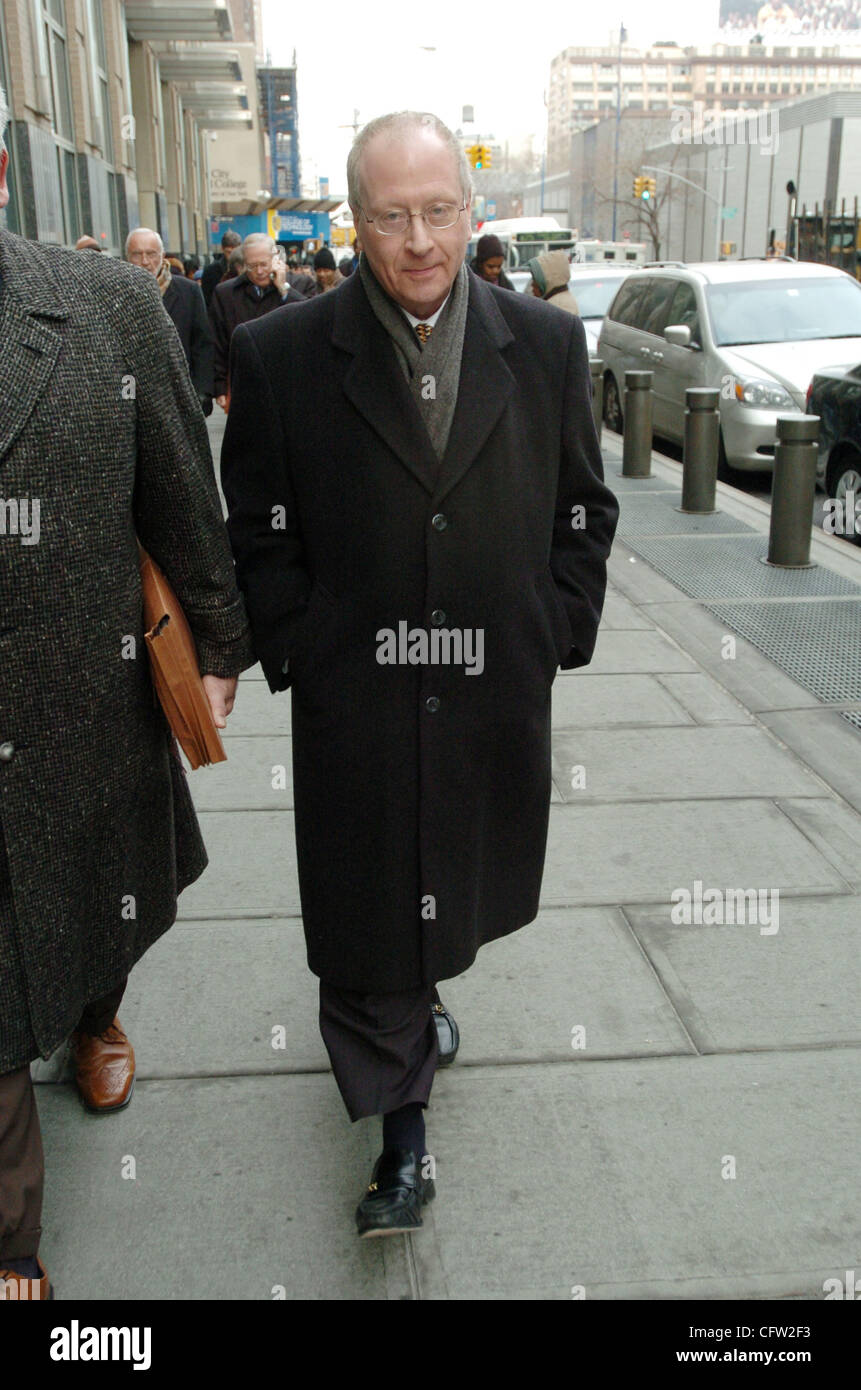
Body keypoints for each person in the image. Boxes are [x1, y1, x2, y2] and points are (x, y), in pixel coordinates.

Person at [221, 109, 618, 1239]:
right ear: (356, 221)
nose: (418, 239)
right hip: (359, 699)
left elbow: (583, 509)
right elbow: (258, 528)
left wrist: (554, 628)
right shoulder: (283, 353)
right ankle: (403, 1146)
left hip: (492, 690)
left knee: (441, 887)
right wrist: (305, 647)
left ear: (471, 210)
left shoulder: (541, 345)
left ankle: (423, 1000)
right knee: (363, 928)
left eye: (439, 210)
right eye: (391, 216)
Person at [0, 87, 254, 1300]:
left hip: (82, 704)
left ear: (0, 175)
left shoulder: (102, 305)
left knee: (92, 906)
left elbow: (178, 492)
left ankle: (96, 1014)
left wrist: (217, 641)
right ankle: (13, 1254)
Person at [209, 233, 305, 410]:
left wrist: (283, 290)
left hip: (288, 385)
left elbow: (308, 323)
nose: (259, 271)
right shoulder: (226, 294)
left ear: (275, 259)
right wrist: (219, 386)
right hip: (244, 385)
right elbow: (217, 343)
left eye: (264, 264)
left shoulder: (299, 284)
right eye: (252, 266)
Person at [126, 226, 215, 417]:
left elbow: (203, 343)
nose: (145, 262)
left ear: (162, 255)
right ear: (127, 257)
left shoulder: (188, 291)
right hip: (134, 396)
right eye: (137, 254)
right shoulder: (116, 293)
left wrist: (202, 392)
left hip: (180, 394)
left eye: (151, 254)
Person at [527, 249, 580, 314]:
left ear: (546, 280)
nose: (532, 285)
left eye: (535, 280)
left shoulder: (558, 306)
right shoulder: (555, 302)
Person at [201, 230, 241, 308]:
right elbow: (207, 298)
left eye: (234, 252)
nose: (231, 256)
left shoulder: (246, 268)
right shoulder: (211, 271)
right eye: (228, 252)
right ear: (222, 249)